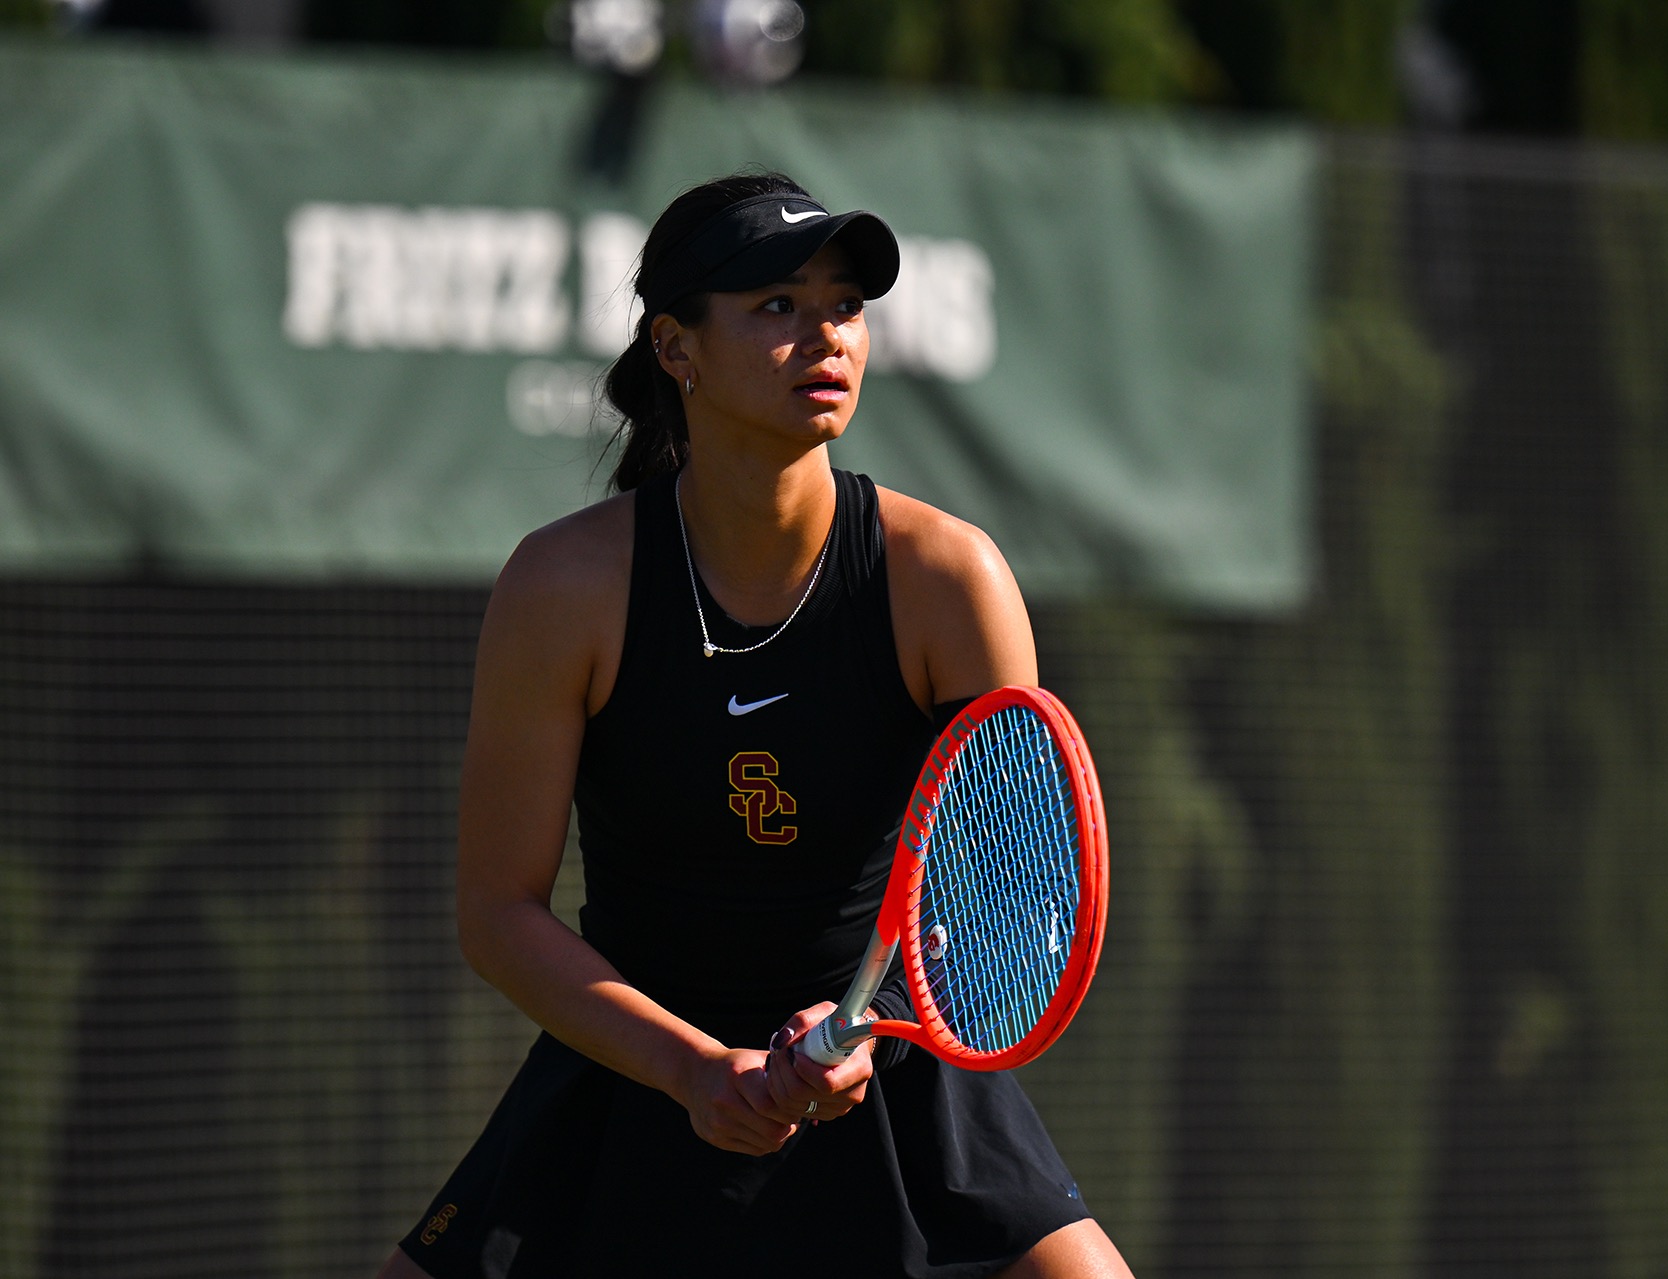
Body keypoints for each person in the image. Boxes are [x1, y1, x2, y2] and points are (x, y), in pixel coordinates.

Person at [375, 172, 1133, 1279]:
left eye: (845, 305)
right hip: (633, 1075)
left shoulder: (948, 578)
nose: (826, 335)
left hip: (891, 1072)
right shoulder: (562, 586)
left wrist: (863, 1025)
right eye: (778, 304)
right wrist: (694, 1069)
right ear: (675, 348)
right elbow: (497, 916)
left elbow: (1011, 906)